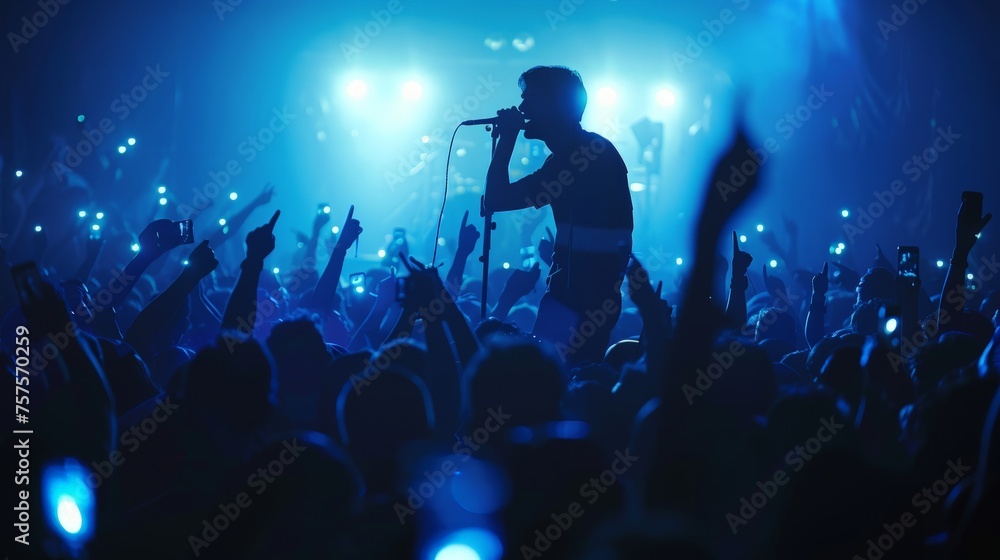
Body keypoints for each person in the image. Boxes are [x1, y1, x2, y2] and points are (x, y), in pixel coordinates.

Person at [485, 65, 633, 364]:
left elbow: (496, 199)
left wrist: (508, 139)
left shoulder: (581, 155)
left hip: (575, 301)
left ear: (556, 104)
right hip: (583, 298)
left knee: (543, 385)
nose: (522, 107)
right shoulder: (583, 151)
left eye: (530, 99)